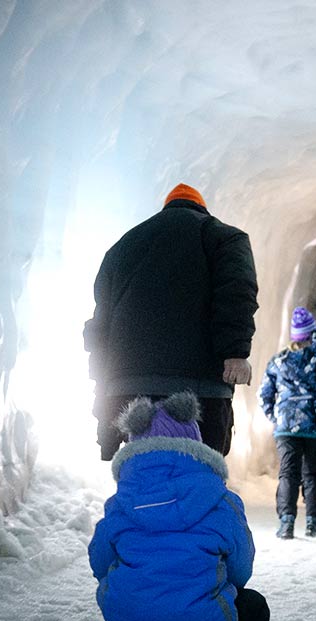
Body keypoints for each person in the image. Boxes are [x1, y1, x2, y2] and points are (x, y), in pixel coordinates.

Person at [88, 392, 269, 621]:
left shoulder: (119, 504)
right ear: (197, 447)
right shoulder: (221, 501)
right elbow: (241, 570)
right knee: (253, 605)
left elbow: (100, 562)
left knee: (139, 601)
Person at [82, 183, 259, 460]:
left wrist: (103, 399)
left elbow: (101, 323)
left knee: (143, 475)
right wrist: (235, 351)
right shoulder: (223, 237)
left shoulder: (123, 246)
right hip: (200, 388)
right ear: (202, 208)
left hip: (129, 389)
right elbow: (236, 292)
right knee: (199, 475)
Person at [258, 308, 316, 539]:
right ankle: (312, 522)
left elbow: (264, 394)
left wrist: (276, 417)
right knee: (314, 474)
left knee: (288, 473)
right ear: (311, 334)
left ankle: (286, 521)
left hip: (286, 428)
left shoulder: (279, 361)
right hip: (315, 427)